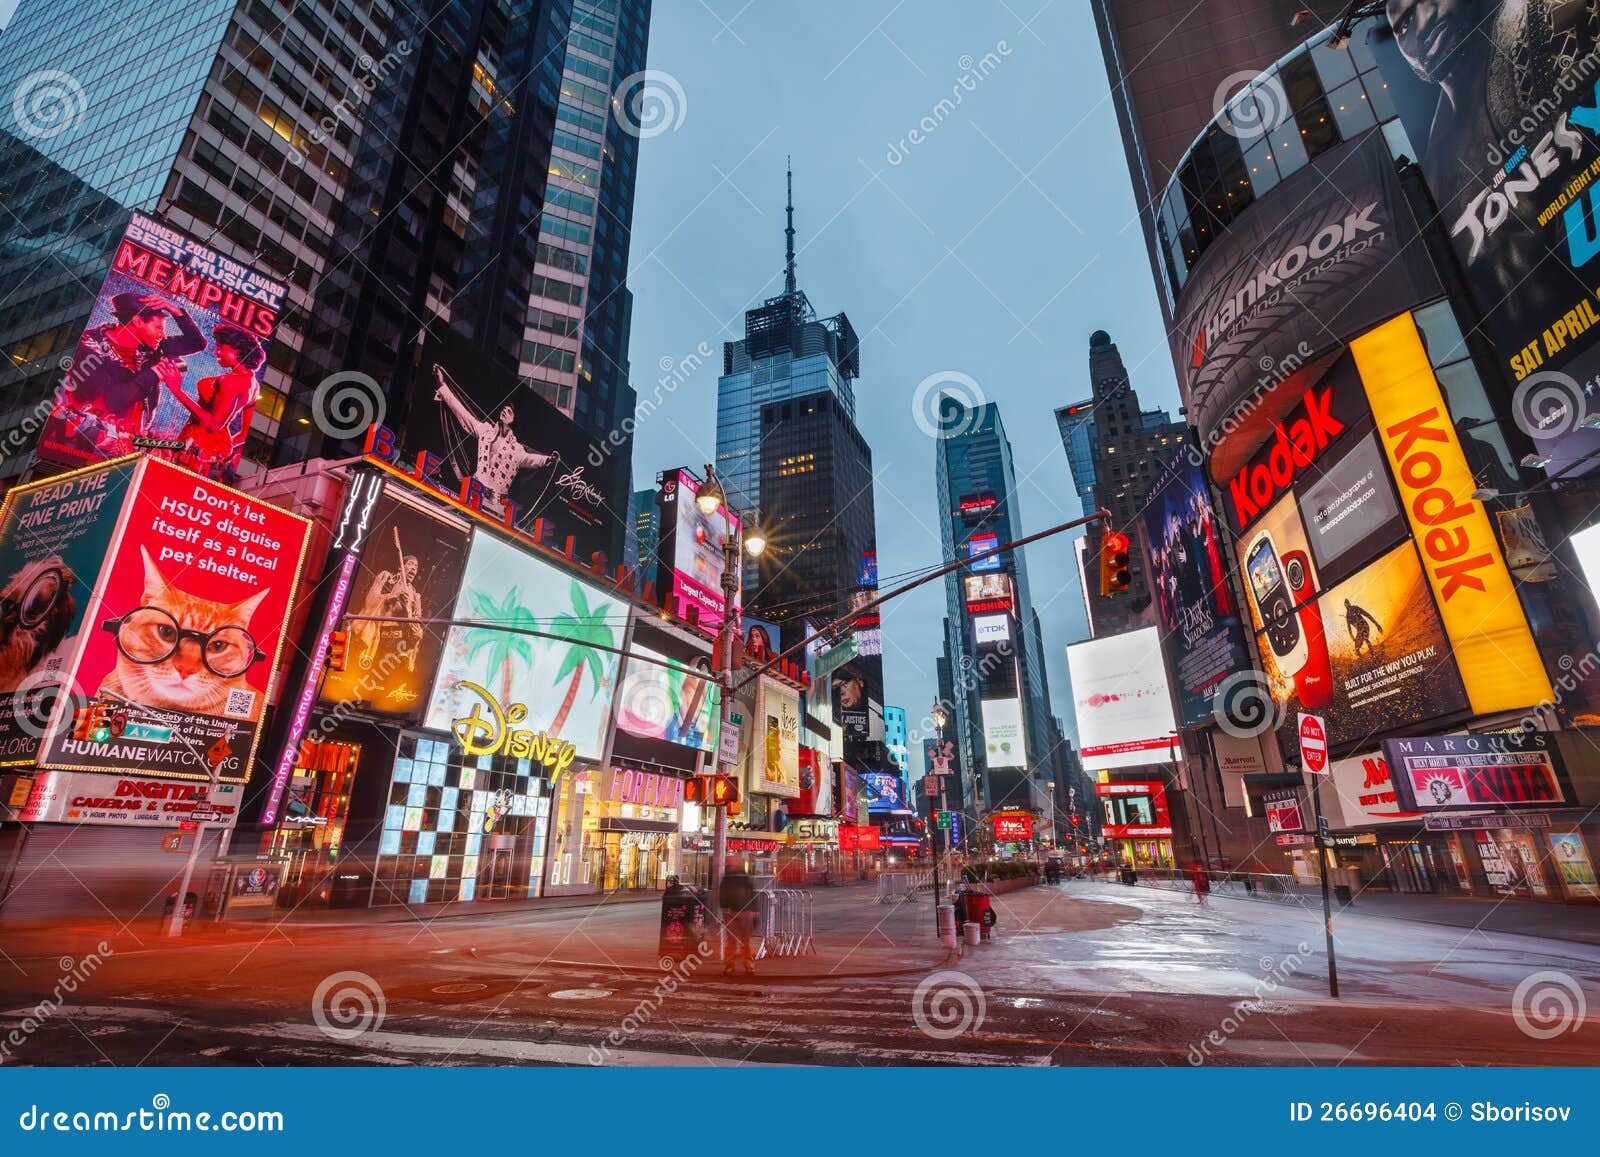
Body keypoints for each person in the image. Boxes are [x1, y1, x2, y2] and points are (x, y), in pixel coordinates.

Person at [51, 293, 206, 455]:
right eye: (158, 327)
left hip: (131, 443)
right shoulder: (89, 347)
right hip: (86, 442)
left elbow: (197, 343)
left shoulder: (154, 347)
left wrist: (175, 311)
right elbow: (112, 400)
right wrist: (153, 374)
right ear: (137, 321)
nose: (163, 335)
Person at [434, 366, 553, 521]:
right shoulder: (485, 431)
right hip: (474, 494)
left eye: (509, 412)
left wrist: (548, 460)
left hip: (497, 506)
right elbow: (463, 414)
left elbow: (533, 459)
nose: (504, 411)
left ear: (514, 421)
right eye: (504, 409)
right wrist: (442, 386)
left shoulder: (517, 450)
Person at [162, 323, 263, 479]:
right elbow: (243, 434)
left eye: (220, 347)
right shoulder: (253, 385)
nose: (216, 351)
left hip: (197, 445)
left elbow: (213, 425)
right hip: (213, 450)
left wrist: (176, 390)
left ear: (238, 350)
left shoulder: (231, 382)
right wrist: (222, 451)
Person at [718, 859, 758, 977]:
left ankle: (736, 965)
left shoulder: (729, 878)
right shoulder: (744, 878)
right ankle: (742, 965)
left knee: (740, 940)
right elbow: (752, 894)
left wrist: (725, 906)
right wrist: (753, 909)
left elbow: (752, 894)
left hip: (738, 912)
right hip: (737, 912)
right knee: (738, 940)